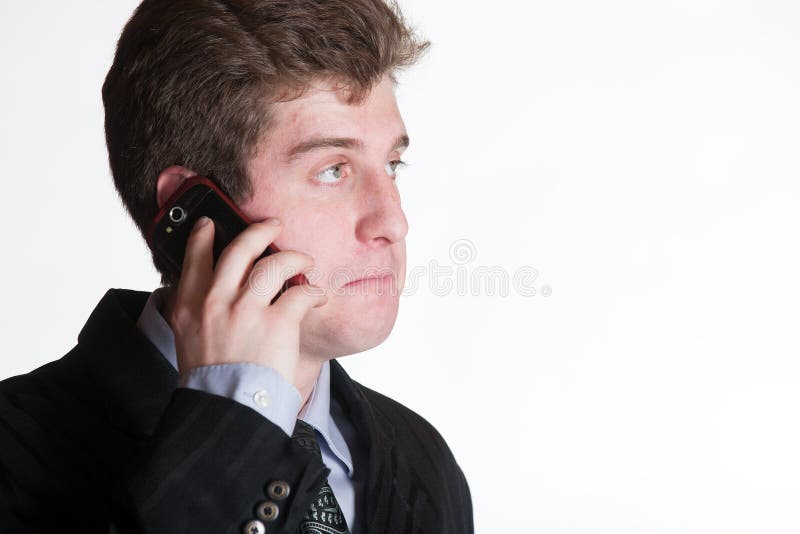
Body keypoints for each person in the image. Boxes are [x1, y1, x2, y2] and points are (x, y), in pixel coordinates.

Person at [0, 1, 473, 533]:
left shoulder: (422, 460)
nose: (393, 221)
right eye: (333, 169)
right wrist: (231, 426)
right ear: (197, 213)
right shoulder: (14, 457)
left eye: (391, 165)